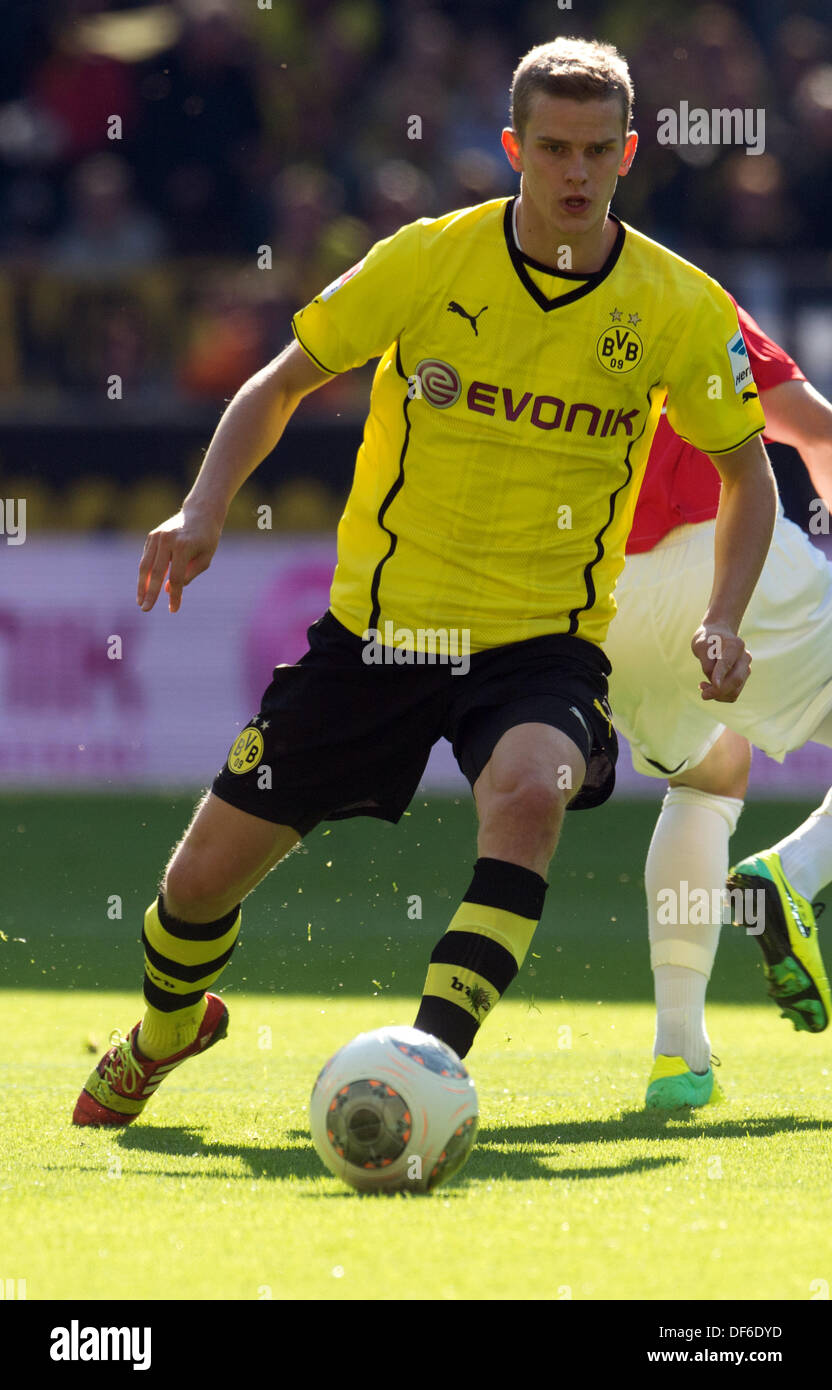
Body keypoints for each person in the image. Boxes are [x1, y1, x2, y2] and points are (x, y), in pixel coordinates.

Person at [74, 36, 777, 1128]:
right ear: (513, 147)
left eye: (597, 150)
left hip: (540, 644)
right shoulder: (425, 261)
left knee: (532, 787)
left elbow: (747, 471)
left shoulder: (682, 308)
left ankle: (419, 1073)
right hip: (378, 635)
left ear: (630, 152)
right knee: (197, 885)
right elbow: (282, 379)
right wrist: (203, 503)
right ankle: (169, 1026)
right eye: (553, 148)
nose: (575, 173)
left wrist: (722, 617)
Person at [605, 300, 832, 1110]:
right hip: (721, 552)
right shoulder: (679, 292)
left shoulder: (490, 302)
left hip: (596, 606)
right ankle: (792, 873)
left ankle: (679, 1056)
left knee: (707, 778)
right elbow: (815, 431)